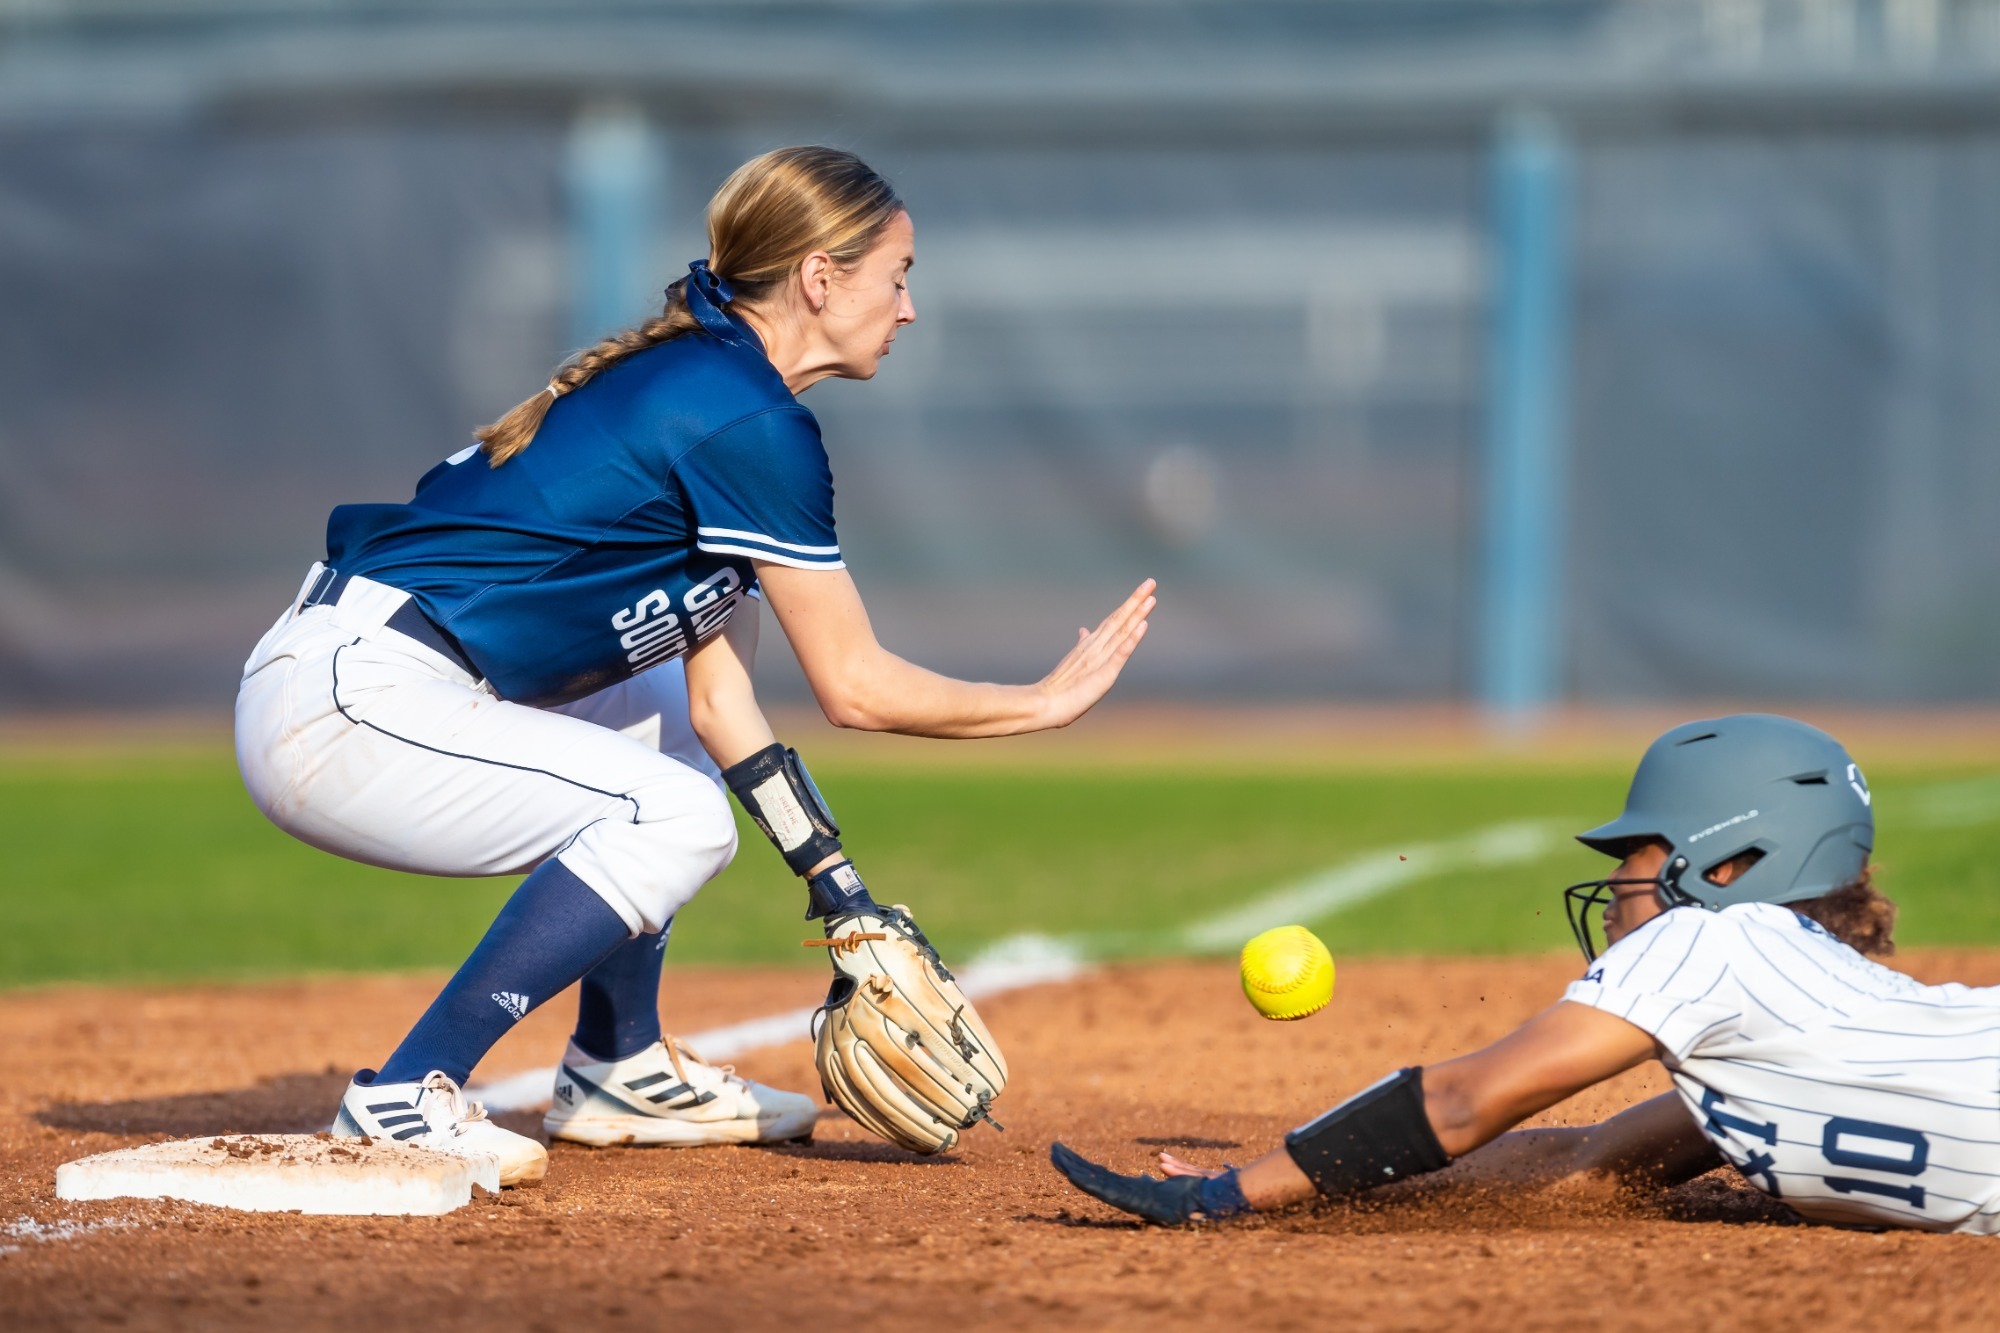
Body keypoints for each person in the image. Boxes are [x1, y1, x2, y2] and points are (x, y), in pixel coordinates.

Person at [236, 146, 1155, 1186]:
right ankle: (407, 1092)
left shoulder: (721, 385)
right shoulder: (746, 416)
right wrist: (1035, 703)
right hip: (348, 704)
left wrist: (837, 889)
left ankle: (617, 1063)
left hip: (375, 685)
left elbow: (721, 709)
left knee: (665, 719)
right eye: (895, 275)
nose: (906, 309)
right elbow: (852, 686)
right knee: (672, 815)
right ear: (820, 278)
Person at [1051, 714, 2000, 1235]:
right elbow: (1578, 1162)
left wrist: (1220, 1198)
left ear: (1729, 868)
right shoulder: (1775, 1022)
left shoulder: (1715, 941)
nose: (1619, 877)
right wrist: (1284, 1175)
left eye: (1637, 848)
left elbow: (1464, 1100)